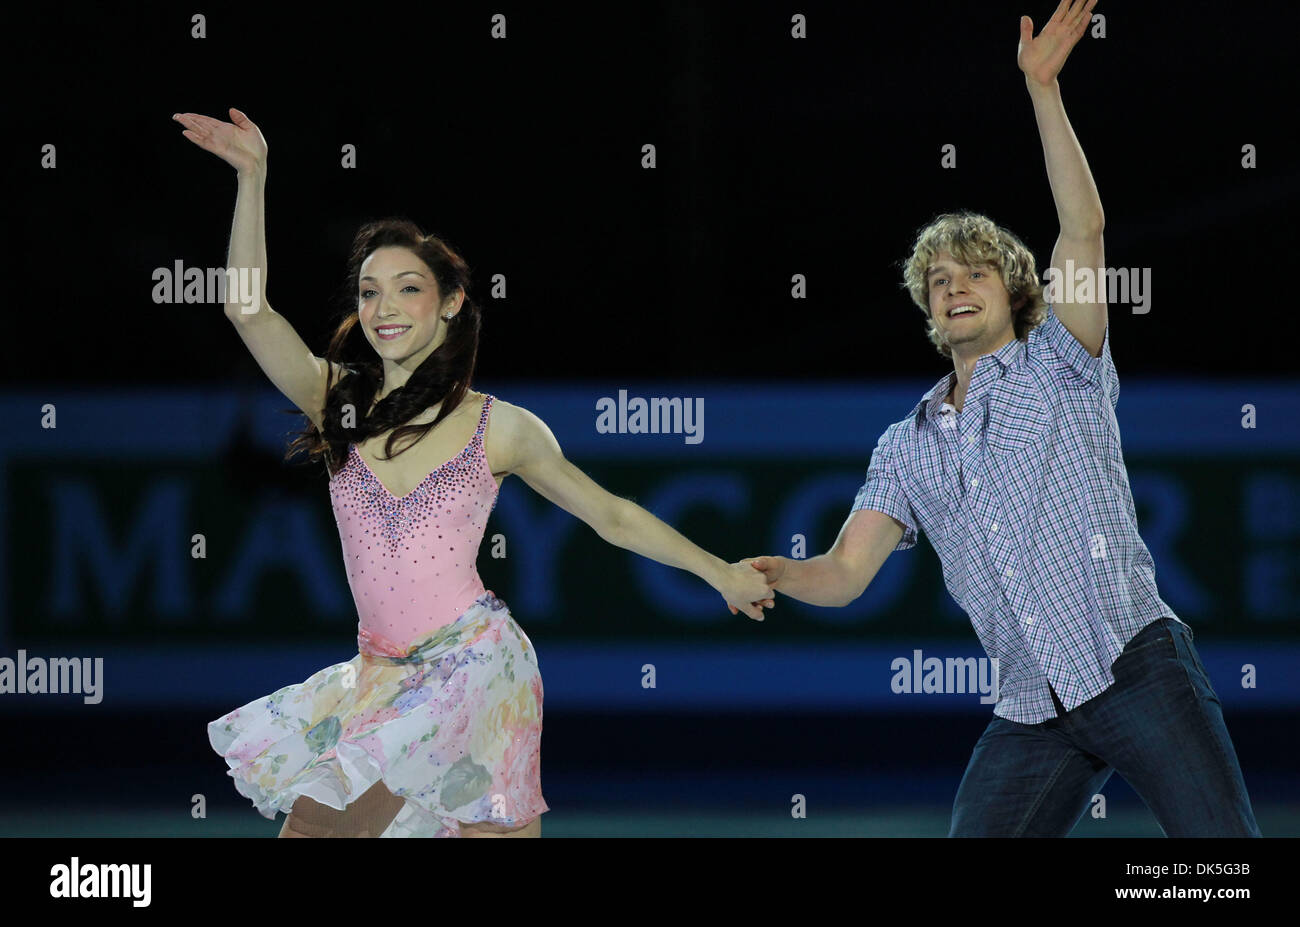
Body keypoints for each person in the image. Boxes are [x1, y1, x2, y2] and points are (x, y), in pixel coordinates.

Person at [177, 108, 774, 838]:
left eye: (407, 288)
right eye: (369, 291)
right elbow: (246, 308)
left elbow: (611, 514)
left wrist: (720, 572)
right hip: (380, 676)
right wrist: (253, 178)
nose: (384, 308)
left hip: (476, 667)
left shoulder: (502, 427)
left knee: (321, 827)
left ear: (452, 303)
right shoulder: (338, 401)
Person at [744, 0, 1260, 837]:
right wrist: (778, 574)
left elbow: (1083, 227)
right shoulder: (903, 444)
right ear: (927, 307)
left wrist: (1044, 92)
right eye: (938, 279)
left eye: (973, 271)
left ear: (1012, 290)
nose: (954, 285)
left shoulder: (1064, 357)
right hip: (1031, 707)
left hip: (1136, 666)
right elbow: (844, 571)